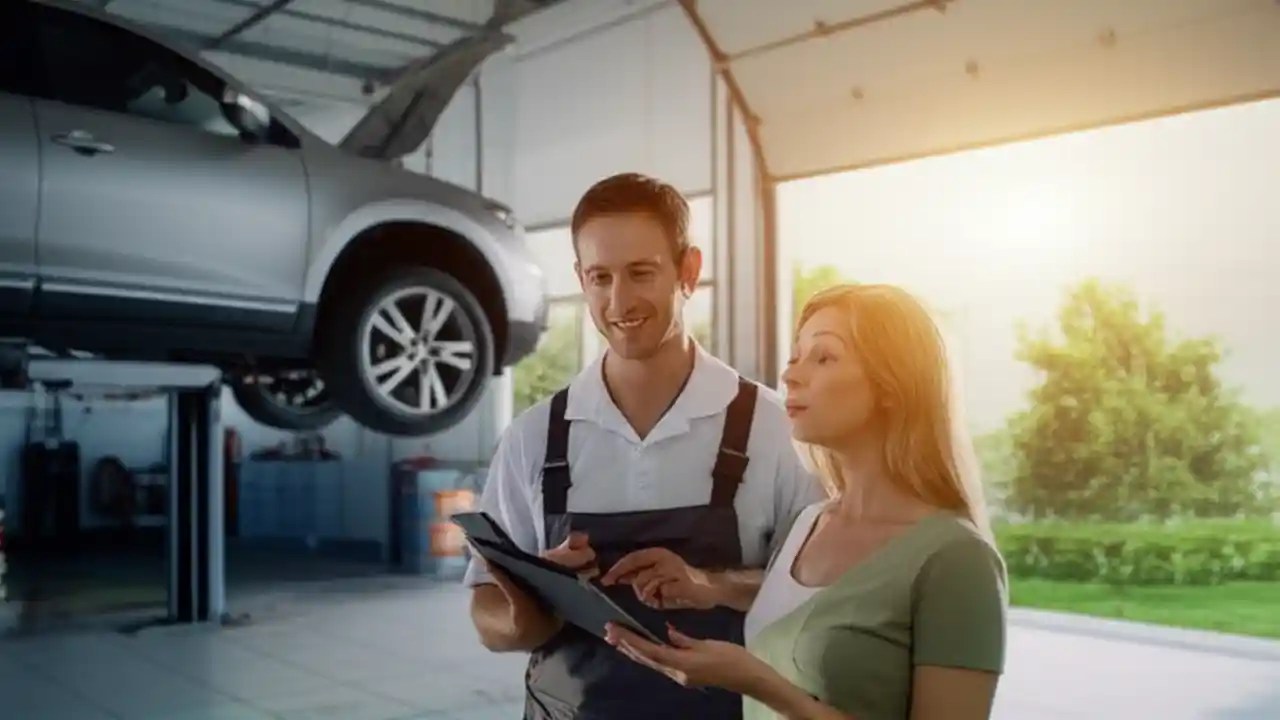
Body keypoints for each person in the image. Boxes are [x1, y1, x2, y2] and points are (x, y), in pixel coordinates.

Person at [463, 172, 825, 720]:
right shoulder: (533, 438)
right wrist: (533, 597)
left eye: (641, 273)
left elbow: (820, 595)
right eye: (600, 277)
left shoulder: (772, 429)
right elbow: (486, 613)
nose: (619, 301)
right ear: (581, 279)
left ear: (688, 271)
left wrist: (714, 584)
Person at [604, 283, 1009, 720]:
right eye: (796, 356)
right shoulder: (811, 522)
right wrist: (710, 587)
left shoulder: (958, 560)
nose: (790, 376)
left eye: (824, 357)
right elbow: (827, 611)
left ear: (893, 386)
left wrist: (760, 683)